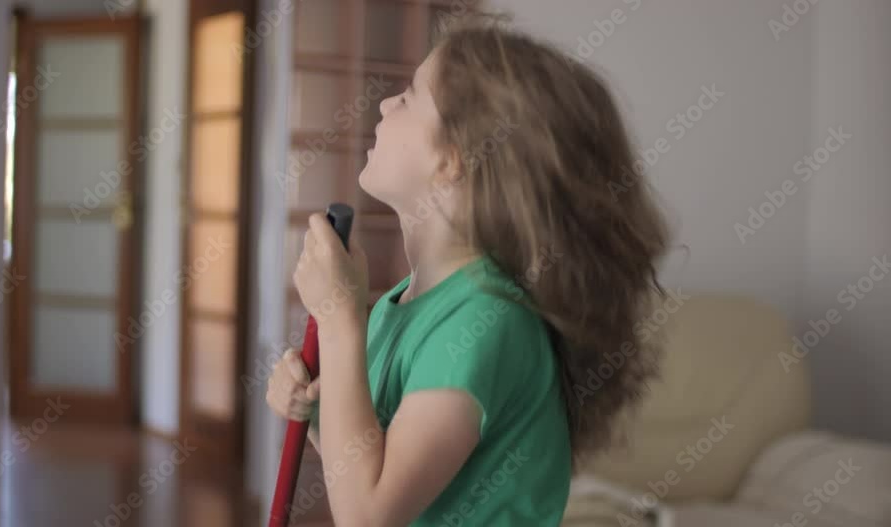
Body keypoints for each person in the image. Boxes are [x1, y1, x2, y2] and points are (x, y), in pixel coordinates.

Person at [267, 15, 670, 526]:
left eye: (411, 96)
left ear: (453, 160)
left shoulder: (486, 323)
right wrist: (317, 412)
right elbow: (377, 464)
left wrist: (339, 320)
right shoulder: (406, 304)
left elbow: (368, 514)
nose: (388, 103)